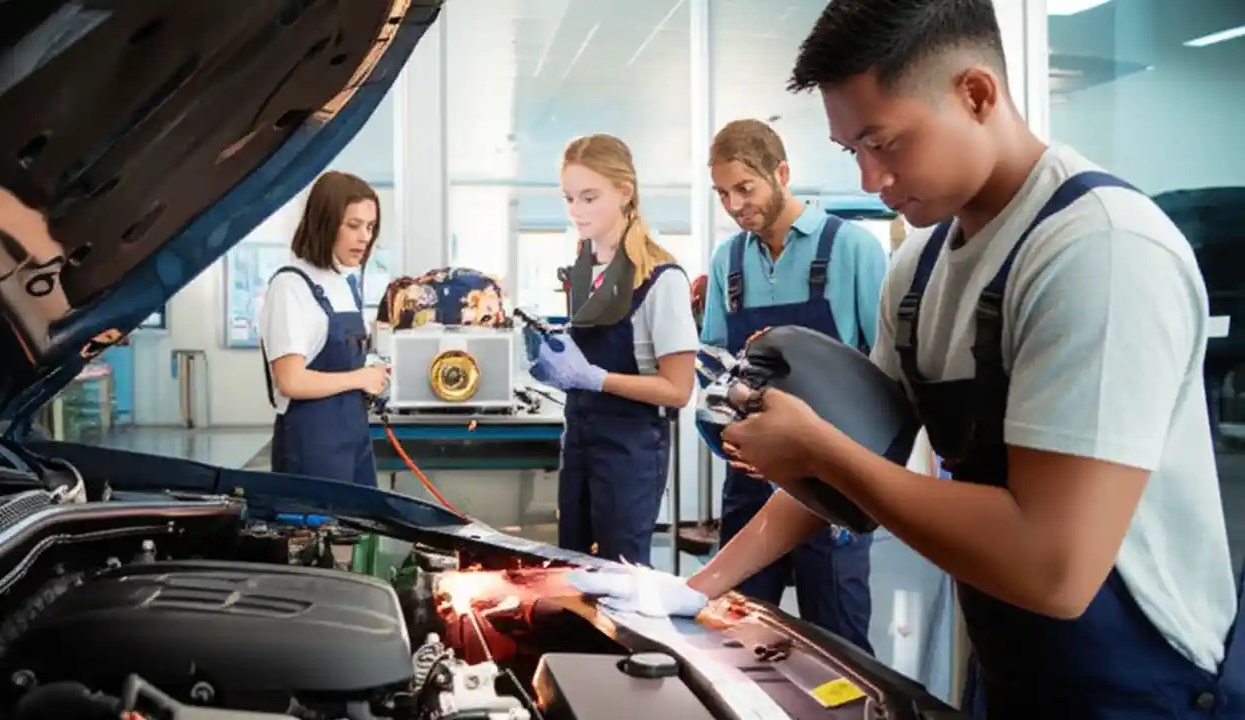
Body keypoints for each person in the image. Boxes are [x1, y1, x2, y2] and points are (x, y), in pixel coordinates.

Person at [570, 2, 1245, 718]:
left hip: (1146, 685)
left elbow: (1055, 568)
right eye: (851, 151)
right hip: (1011, 660)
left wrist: (815, 447)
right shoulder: (919, 269)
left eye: (884, 143)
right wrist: (699, 587)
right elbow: (859, 455)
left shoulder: (1098, 253)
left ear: (977, 95)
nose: (869, 179)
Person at [701, 118, 887, 653]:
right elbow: (711, 365)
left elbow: (884, 379)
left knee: (839, 644)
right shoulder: (726, 262)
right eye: (722, 194)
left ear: (781, 173)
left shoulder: (854, 250)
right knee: (733, 635)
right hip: (749, 479)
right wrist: (725, 437)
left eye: (745, 188)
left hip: (831, 483)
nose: (735, 205)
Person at [527, 133, 699, 566]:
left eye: (589, 197)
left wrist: (595, 379)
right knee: (573, 571)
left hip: (630, 451)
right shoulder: (584, 271)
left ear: (625, 192)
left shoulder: (662, 279)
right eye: (569, 198)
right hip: (580, 442)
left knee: (621, 581)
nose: (576, 212)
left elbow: (678, 390)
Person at [259, 170, 391, 487]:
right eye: (354, 225)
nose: (365, 238)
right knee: (318, 533)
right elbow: (291, 380)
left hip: (354, 439)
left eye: (371, 227)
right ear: (325, 222)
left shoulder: (343, 283)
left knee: (357, 529)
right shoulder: (291, 286)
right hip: (312, 448)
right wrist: (360, 378)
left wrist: (374, 370)